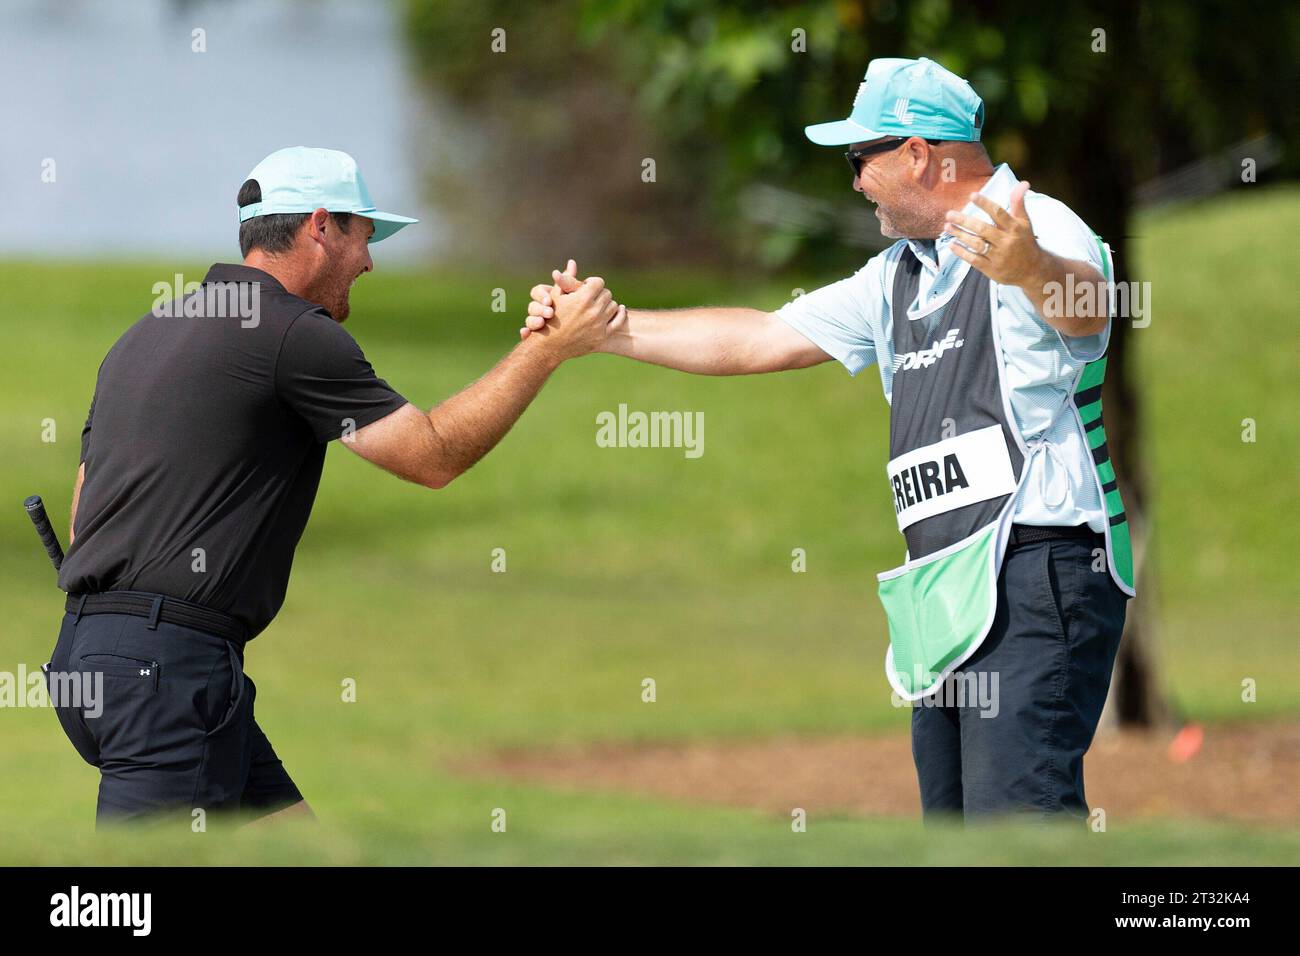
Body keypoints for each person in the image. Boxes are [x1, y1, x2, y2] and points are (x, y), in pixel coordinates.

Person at [523, 58, 1137, 823]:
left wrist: (1032, 268)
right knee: (957, 839)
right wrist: (609, 331)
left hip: (1039, 568)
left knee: (1021, 830)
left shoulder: (1033, 222)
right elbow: (761, 337)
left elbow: (1094, 310)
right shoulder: (895, 276)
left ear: (918, 154)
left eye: (861, 159)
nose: (854, 183)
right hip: (945, 592)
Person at [48, 146, 621, 825]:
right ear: (321, 227)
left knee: (298, 846)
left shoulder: (144, 335)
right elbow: (433, 457)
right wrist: (546, 349)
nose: (370, 261)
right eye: (365, 235)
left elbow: (86, 506)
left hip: (91, 658)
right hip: (167, 676)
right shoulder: (292, 332)